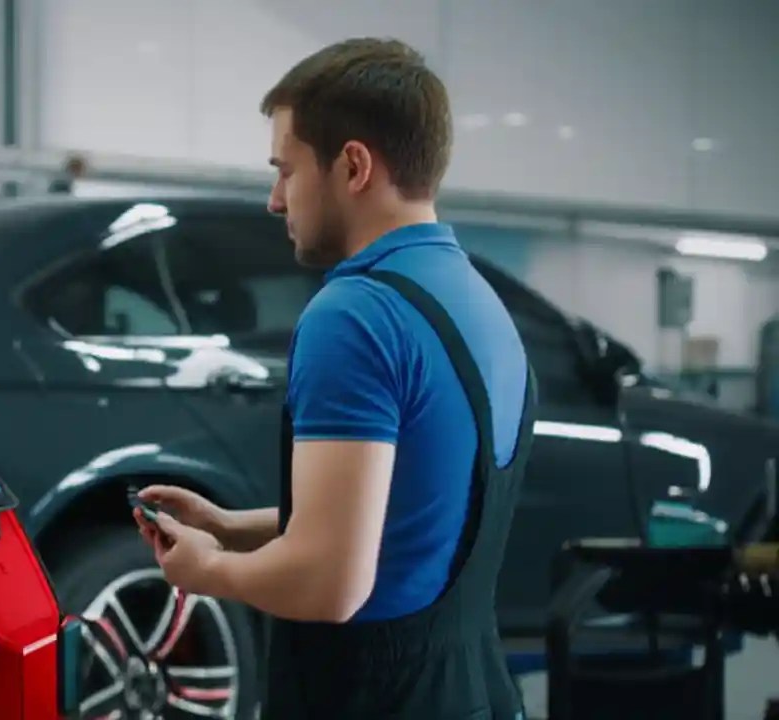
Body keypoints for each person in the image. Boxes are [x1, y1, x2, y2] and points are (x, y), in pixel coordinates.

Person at [134, 37, 537, 718]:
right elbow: (410, 513)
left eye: (285, 171)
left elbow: (330, 582)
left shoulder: (355, 314)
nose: (274, 200)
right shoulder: (477, 300)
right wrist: (232, 528)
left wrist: (210, 570)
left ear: (353, 166)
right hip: (472, 692)